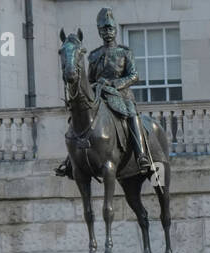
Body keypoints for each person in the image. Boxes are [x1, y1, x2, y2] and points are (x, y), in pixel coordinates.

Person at [55, 7, 153, 179]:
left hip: (121, 96)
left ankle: (141, 155)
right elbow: (89, 79)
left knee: (132, 116)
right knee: (78, 118)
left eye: (110, 29)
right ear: (99, 32)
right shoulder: (94, 56)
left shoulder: (125, 52)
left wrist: (114, 83)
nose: (107, 32)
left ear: (115, 30)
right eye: (103, 29)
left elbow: (134, 75)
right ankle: (71, 161)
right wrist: (95, 85)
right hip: (100, 97)